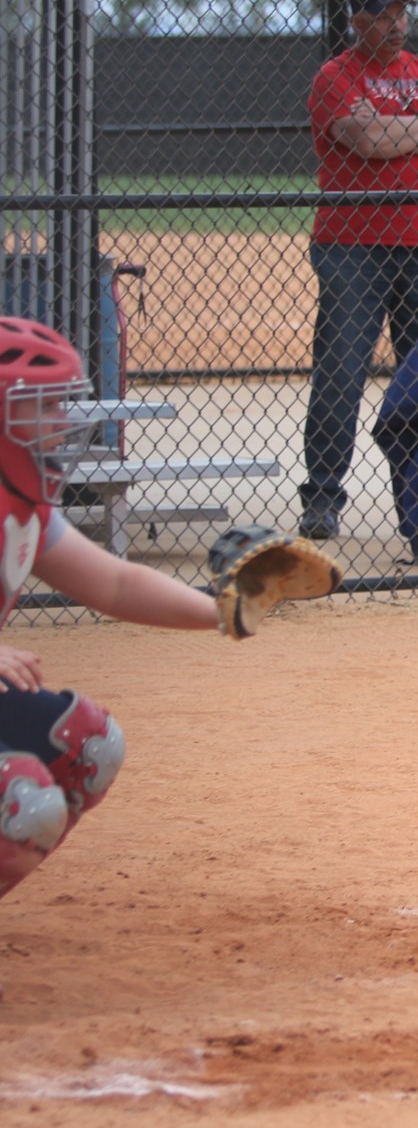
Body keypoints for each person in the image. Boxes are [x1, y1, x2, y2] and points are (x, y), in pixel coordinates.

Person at [0, 320, 254, 909]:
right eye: (42, 405)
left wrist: (225, 612)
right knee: (22, 799)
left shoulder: (22, 505)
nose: (63, 422)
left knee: (87, 745)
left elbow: (113, 583)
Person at [301, 0, 418, 541]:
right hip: (352, 248)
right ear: (357, 22)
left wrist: (404, 128)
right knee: (341, 372)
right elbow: (367, 142)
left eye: (401, 12)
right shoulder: (336, 76)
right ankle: (324, 496)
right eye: (383, 14)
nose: (397, 24)